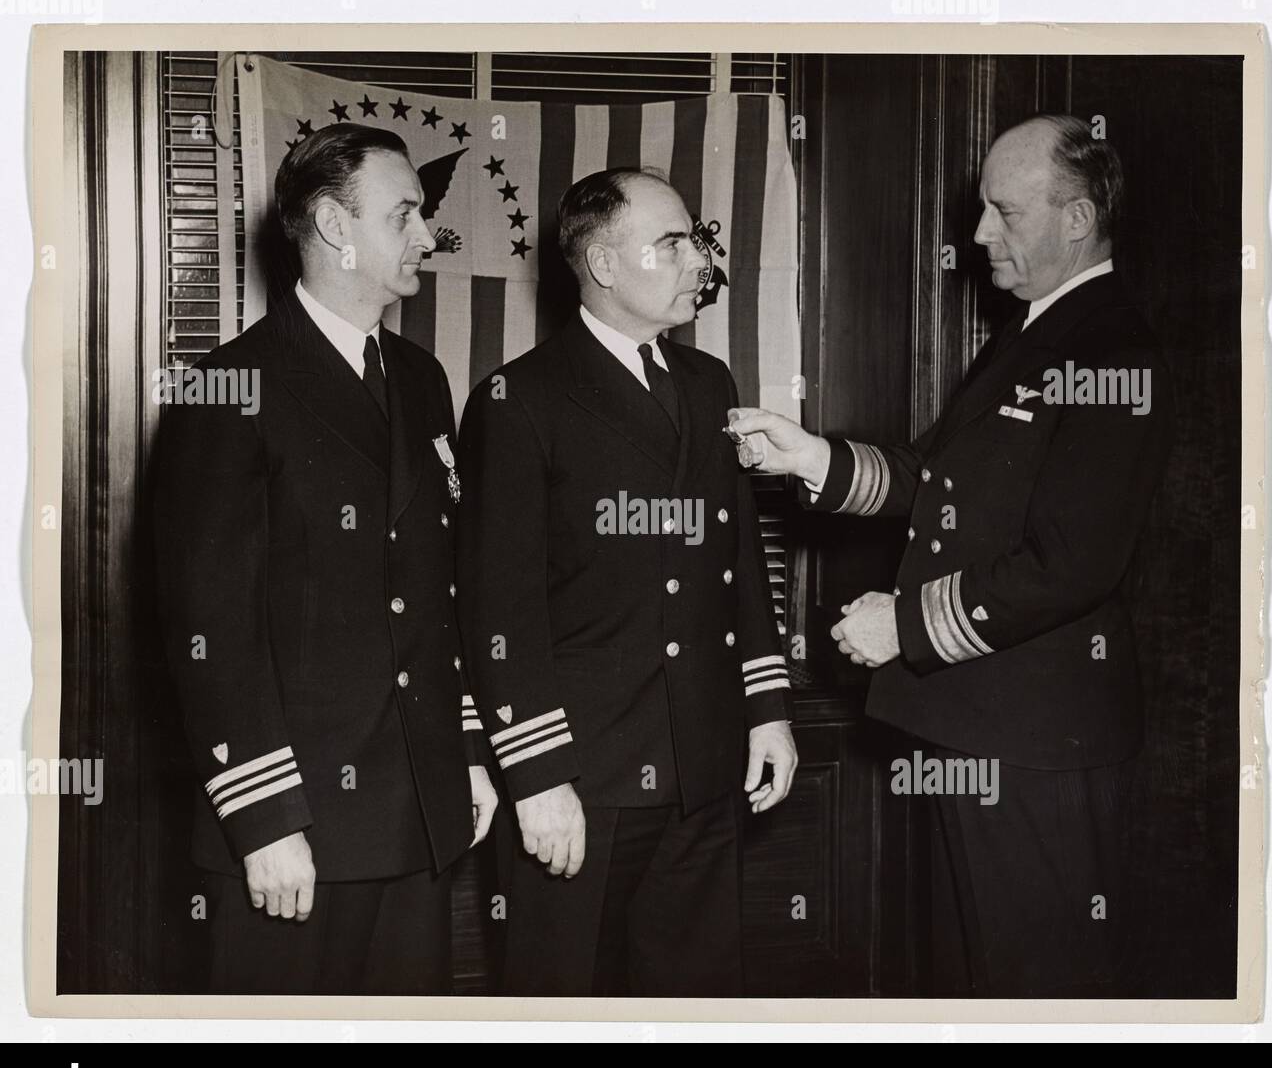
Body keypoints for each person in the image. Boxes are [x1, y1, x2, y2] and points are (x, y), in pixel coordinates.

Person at [729, 115, 1174, 996]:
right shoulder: (1030, 334)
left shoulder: (1112, 347)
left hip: (1038, 743)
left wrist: (906, 625)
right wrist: (812, 457)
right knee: (981, 976)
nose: (978, 235)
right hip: (977, 725)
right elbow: (936, 477)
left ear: (1077, 220)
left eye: (1004, 213)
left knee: (1041, 985)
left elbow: (1074, 562)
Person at [153, 123, 497, 995]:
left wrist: (463, 751)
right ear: (334, 228)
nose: (428, 235)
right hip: (293, 826)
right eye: (406, 214)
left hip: (416, 811)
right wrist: (264, 819)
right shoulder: (230, 386)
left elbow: (436, 589)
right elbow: (210, 626)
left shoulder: (422, 380)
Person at [456, 167, 798, 995]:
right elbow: (495, 608)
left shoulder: (707, 384)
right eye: (673, 243)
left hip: (704, 760)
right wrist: (535, 776)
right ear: (604, 266)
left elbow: (738, 566)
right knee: (562, 995)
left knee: (693, 996)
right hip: (584, 776)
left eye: (697, 240)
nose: (699, 262)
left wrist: (767, 712)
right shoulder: (519, 399)